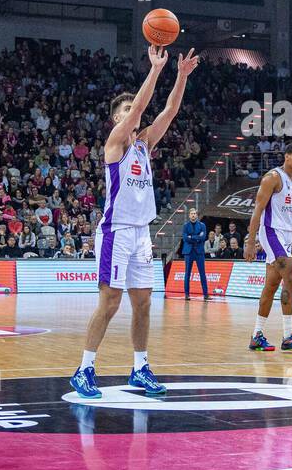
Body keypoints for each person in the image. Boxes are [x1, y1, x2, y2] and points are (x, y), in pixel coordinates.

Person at [69, 45, 200, 400]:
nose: (134, 113)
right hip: (116, 232)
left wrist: (181, 76)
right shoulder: (114, 144)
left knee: (143, 303)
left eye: (133, 109)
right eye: (126, 110)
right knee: (110, 302)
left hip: (142, 233)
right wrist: (156, 69)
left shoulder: (144, 144)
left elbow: (170, 111)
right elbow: (142, 105)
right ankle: (84, 369)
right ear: (117, 119)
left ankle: (140, 367)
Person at [245, 143, 292, 353]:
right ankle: (288, 336)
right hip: (270, 232)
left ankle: (256, 336)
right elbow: (257, 210)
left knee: (272, 284)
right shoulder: (272, 178)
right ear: (286, 157)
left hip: (286, 235)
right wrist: (250, 242)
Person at [180, 207, 209, 300]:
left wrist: (191, 237)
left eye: (195, 213)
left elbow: (203, 237)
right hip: (188, 252)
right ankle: (187, 294)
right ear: (189, 215)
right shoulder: (185, 226)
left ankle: (206, 294)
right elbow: (185, 238)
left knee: (202, 273)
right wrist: (196, 237)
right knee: (187, 273)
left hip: (199, 252)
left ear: (197, 215)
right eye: (191, 213)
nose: (193, 215)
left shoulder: (202, 225)